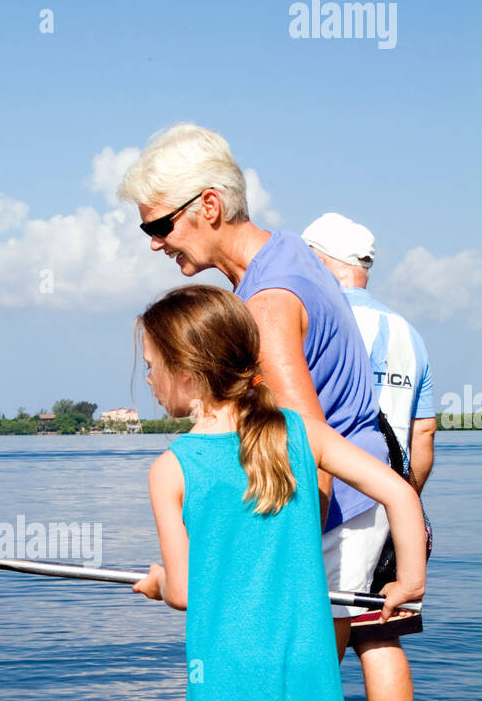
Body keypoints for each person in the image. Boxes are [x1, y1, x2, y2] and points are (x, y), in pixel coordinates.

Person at [131, 286, 426, 701]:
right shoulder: (297, 434)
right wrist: (406, 578)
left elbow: (182, 593)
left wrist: (153, 585)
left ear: (187, 368)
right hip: (304, 665)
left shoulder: (171, 467)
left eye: (150, 364)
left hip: (225, 669)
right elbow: (397, 491)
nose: (146, 379)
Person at [119, 124, 391, 666]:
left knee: (297, 684)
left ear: (210, 205)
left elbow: (309, 455)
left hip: (334, 513)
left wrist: (281, 560)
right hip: (362, 497)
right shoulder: (286, 251)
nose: (153, 240)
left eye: (159, 223)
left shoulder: (266, 305)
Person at [302, 212, 437, 701]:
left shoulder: (315, 318)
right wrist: (402, 502)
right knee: (382, 633)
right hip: (395, 499)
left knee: (323, 630)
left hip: (336, 501)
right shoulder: (410, 333)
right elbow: (423, 436)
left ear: (317, 259)